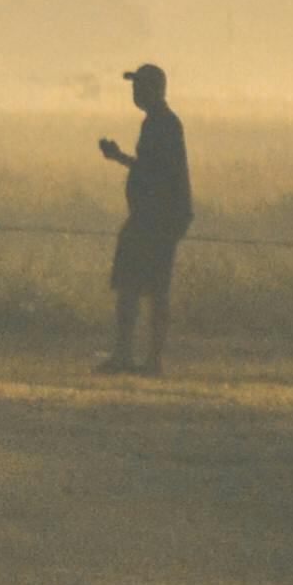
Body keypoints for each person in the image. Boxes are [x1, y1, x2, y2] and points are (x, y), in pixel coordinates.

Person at [99, 62, 191, 372]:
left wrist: (120, 158)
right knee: (148, 288)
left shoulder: (161, 124)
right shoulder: (160, 122)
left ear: (155, 90)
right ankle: (144, 358)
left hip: (154, 218)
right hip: (156, 217)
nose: (135, 92)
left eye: (139, 87)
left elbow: (154, 171)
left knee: (136, 288)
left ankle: (137, 357)